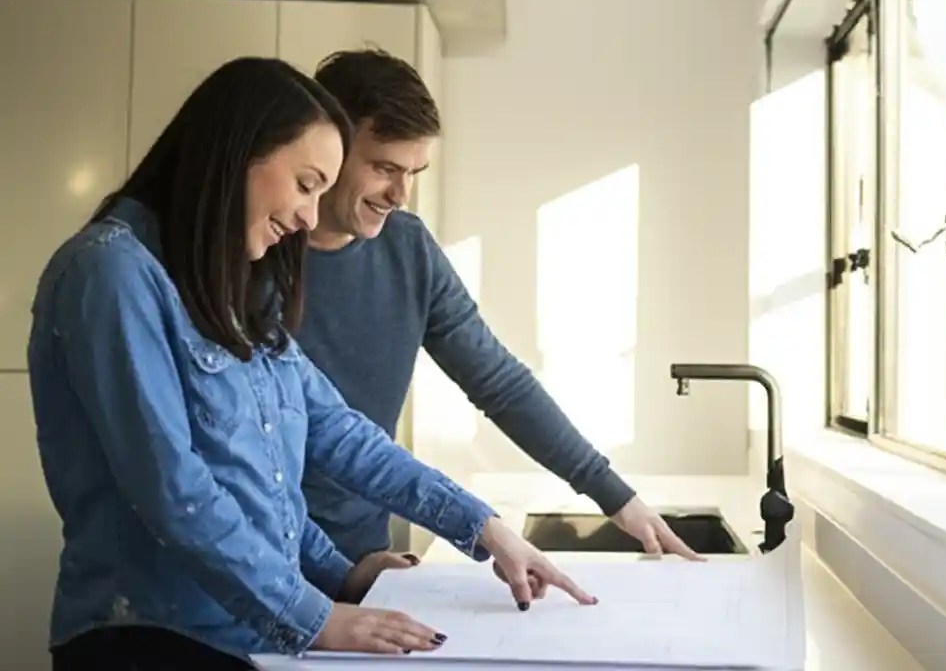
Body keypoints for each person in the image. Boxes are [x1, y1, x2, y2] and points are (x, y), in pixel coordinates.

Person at [28, 57, 594, 670]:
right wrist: (316, 615)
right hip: (150, 638)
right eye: (305, 185)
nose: (307, 218)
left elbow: (328, 436)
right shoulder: (111, 272)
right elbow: (175, 492)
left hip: (249, 633)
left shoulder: (233, 284)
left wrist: (476, 532)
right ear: (238, 153)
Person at [296, 48, 701, 564]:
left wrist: (615, 496)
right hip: (252, 567)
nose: (401, 193)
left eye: (414, 171)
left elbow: (499, 381)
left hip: (361, 558)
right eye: (383, 168)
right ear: (327, 146)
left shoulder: (408, 249)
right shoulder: (253, 253)